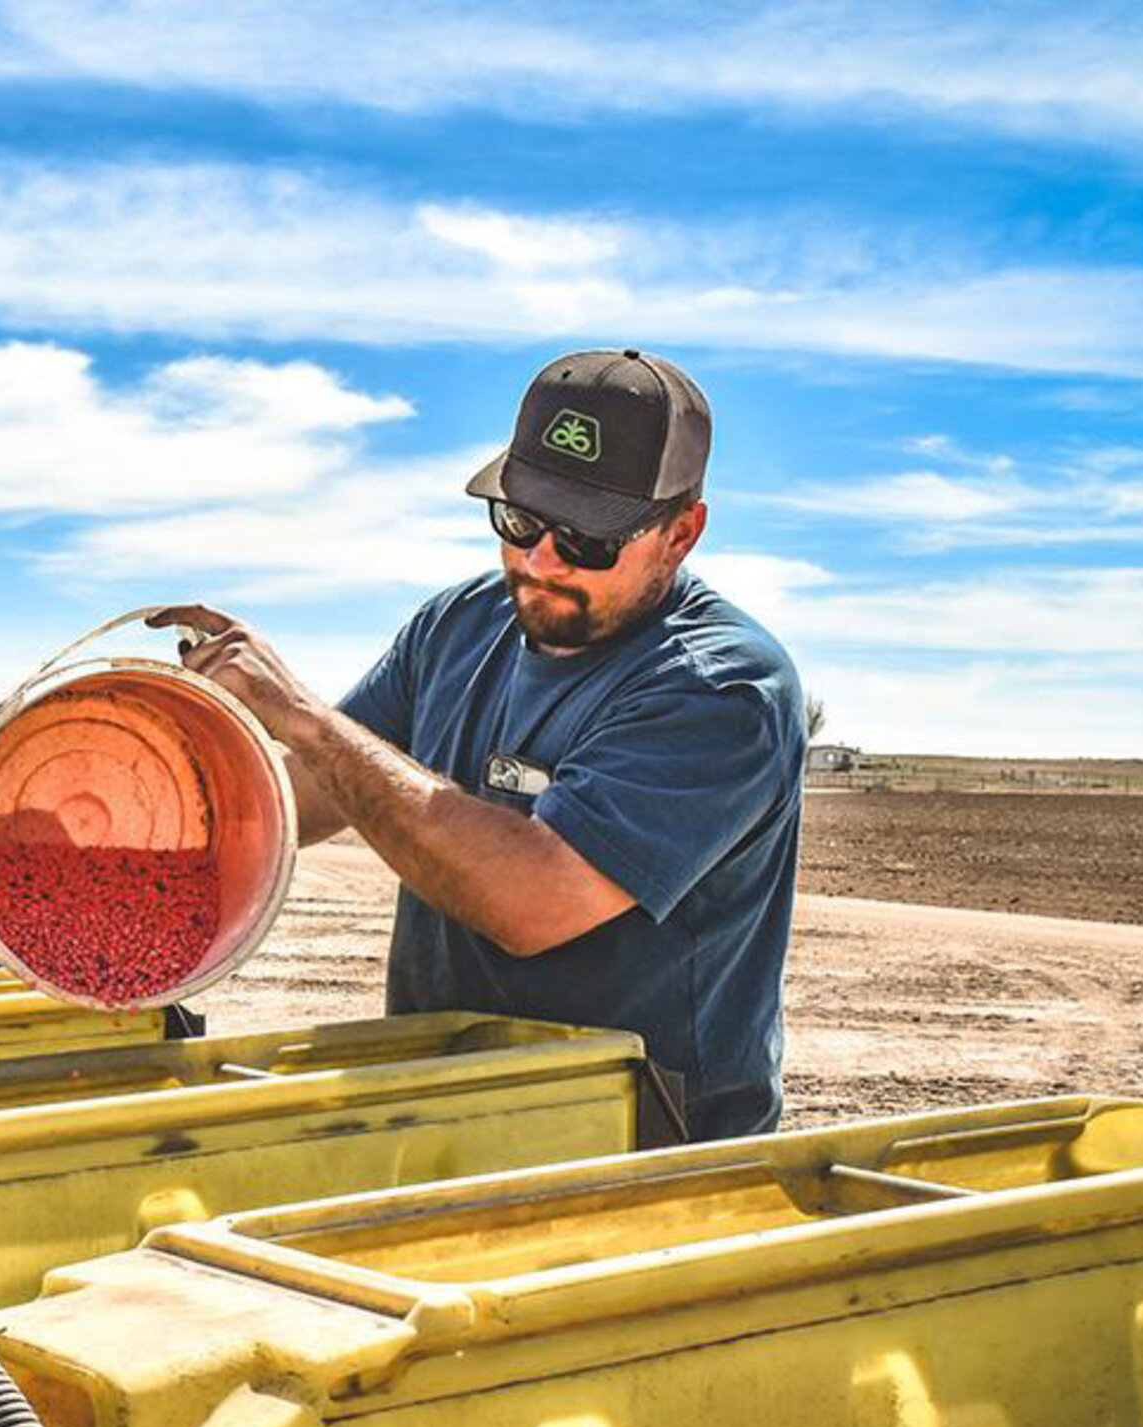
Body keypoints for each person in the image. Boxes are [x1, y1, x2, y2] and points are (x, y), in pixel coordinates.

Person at [154, 348, 805, 1140]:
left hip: (638, 1140)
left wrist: (298, 711)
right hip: (443, 1099)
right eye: (519, 520)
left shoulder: (719, 686)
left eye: (587, 540)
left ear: (681, 532)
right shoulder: (458, 626)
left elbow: (531, 903)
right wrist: (137, 826)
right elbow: (305, 792)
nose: (538, 562)